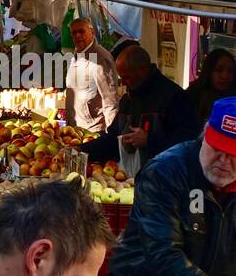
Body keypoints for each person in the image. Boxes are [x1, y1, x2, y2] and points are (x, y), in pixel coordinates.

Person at [95, 98, 236, 276]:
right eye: (217, 148)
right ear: (204, 135)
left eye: (235, 154)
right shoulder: (166, 171)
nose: (224, 161)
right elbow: (164, 254)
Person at [87, 44, 199, 172]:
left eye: (126, 77)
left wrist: (149, 140)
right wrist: (82, 149)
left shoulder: (175, 98)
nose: (123, 83)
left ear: (142, 70)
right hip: (131, 179)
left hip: (165, 179)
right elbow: (113, 138)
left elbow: (188, 143)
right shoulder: (127, 100)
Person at [64, 16, 119, 134]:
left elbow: (110, 101)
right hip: (75, 129)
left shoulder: (100, 58)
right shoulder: (76, 56)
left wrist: (112, 136)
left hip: (94, 131)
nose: (78, 35)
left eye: (81, 31)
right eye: (74, 33)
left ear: (92, 32)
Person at [188, 48, 236, 129]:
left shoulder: (232, 98)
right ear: (209, 71)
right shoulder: (194, 94)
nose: (225, 76)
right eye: (219, 70)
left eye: (230, 71)